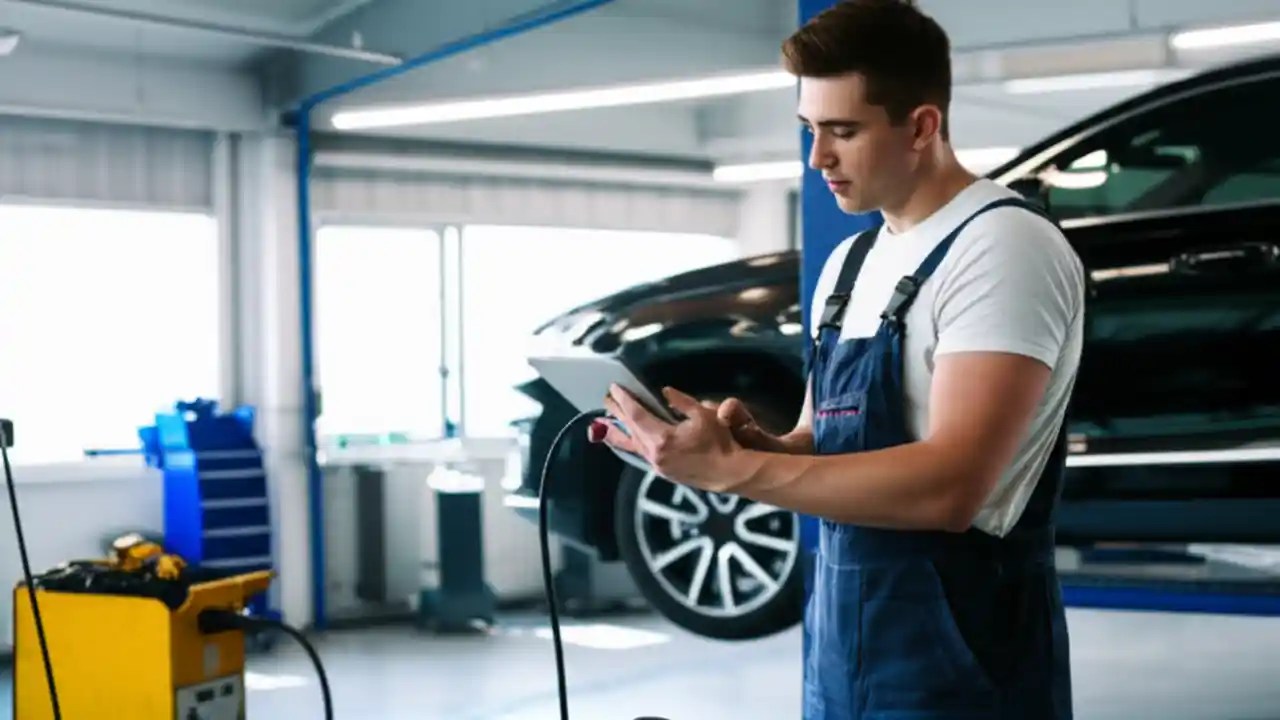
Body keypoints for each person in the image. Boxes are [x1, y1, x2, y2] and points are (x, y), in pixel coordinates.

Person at [589, 0, 1084, 718]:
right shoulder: (850, 264)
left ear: (921, 126)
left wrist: (736, 473)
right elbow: (826, 441)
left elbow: (952, 488)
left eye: (842, 131)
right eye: (809, 130)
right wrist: (755, 445)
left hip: (966, 655)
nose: (817, 157)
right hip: (841, 646)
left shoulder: (1002, 247)